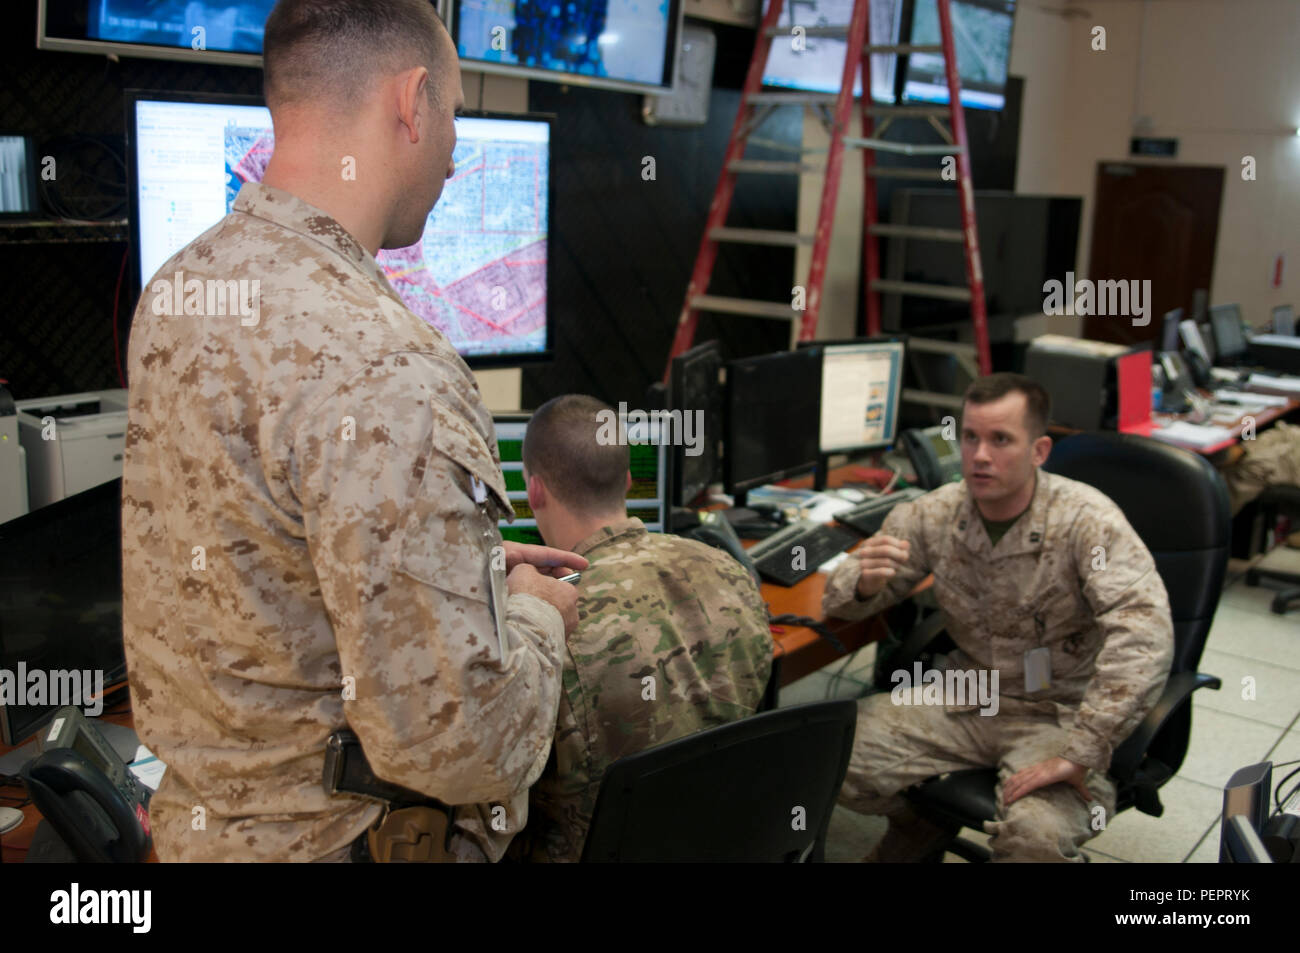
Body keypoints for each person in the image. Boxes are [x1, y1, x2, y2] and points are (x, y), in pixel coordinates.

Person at [121, 0, 584, 862]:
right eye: (452, 114)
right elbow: (464, 744)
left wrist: (461, 571)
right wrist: (531, 615)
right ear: (411, 102)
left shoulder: (179, 291)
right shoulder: (387, 363)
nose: (453, 154)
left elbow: (265, 564)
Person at [822, 373, 1173, 862]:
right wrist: (861, 584)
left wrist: (1083, 751)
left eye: (1001, 439)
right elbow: (840, 601)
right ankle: (920, 824)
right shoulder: (932, 514)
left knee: (1036, 838)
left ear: (1039, 451)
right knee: (824, 757)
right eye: (970, 437)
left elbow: (1145, 639)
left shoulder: (1088, 520)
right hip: (967, 695)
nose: (980, 455)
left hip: (1061, 713)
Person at [507, 394, 774, 861]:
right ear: (628, 480)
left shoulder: (547, 625)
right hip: (717, 840)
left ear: (535, 491)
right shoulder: (731, 572)